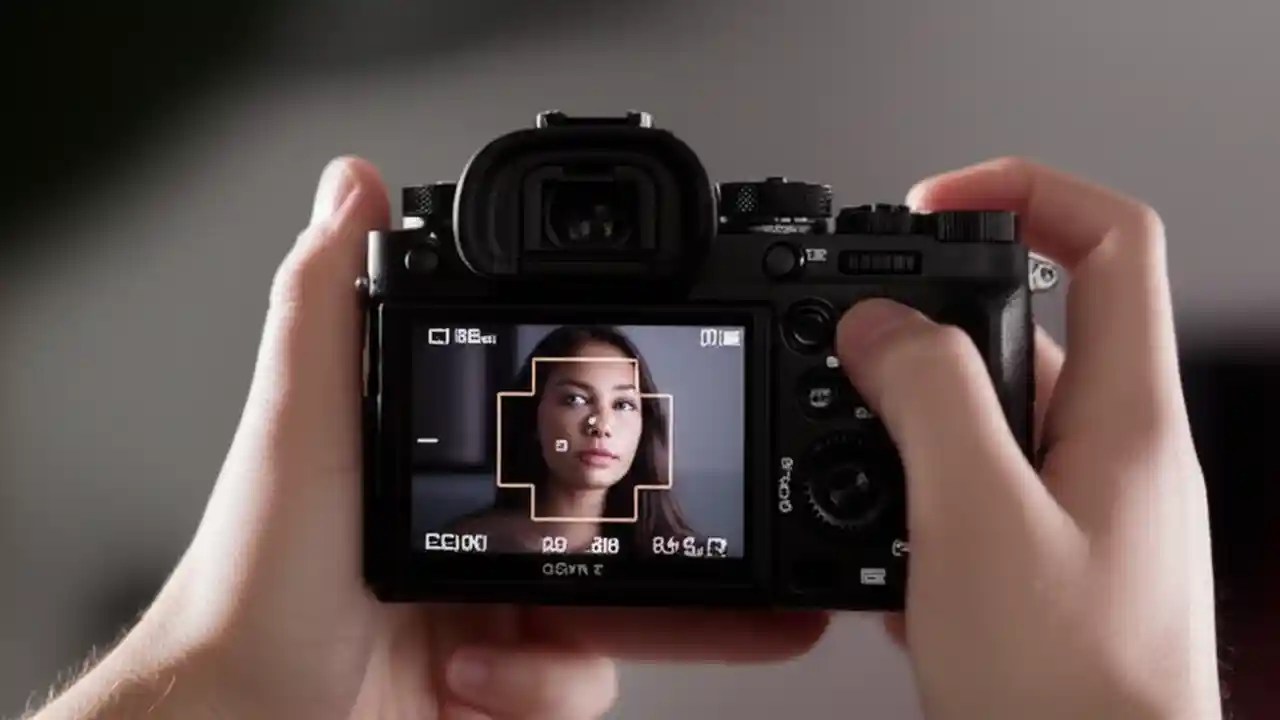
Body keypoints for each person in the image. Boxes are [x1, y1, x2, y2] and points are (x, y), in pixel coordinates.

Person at [27, 154, 1222, 720]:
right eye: (568, 397)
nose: (596, 423)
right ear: (525, 416)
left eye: (620, 401)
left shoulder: (682, 528)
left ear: (648, 423)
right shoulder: (450, 537)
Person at [449, 325, 698, 556]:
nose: (601, 426)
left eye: (623, 404)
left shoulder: (682, 555)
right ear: (532, 415)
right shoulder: (465, 543)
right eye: (575, 400)